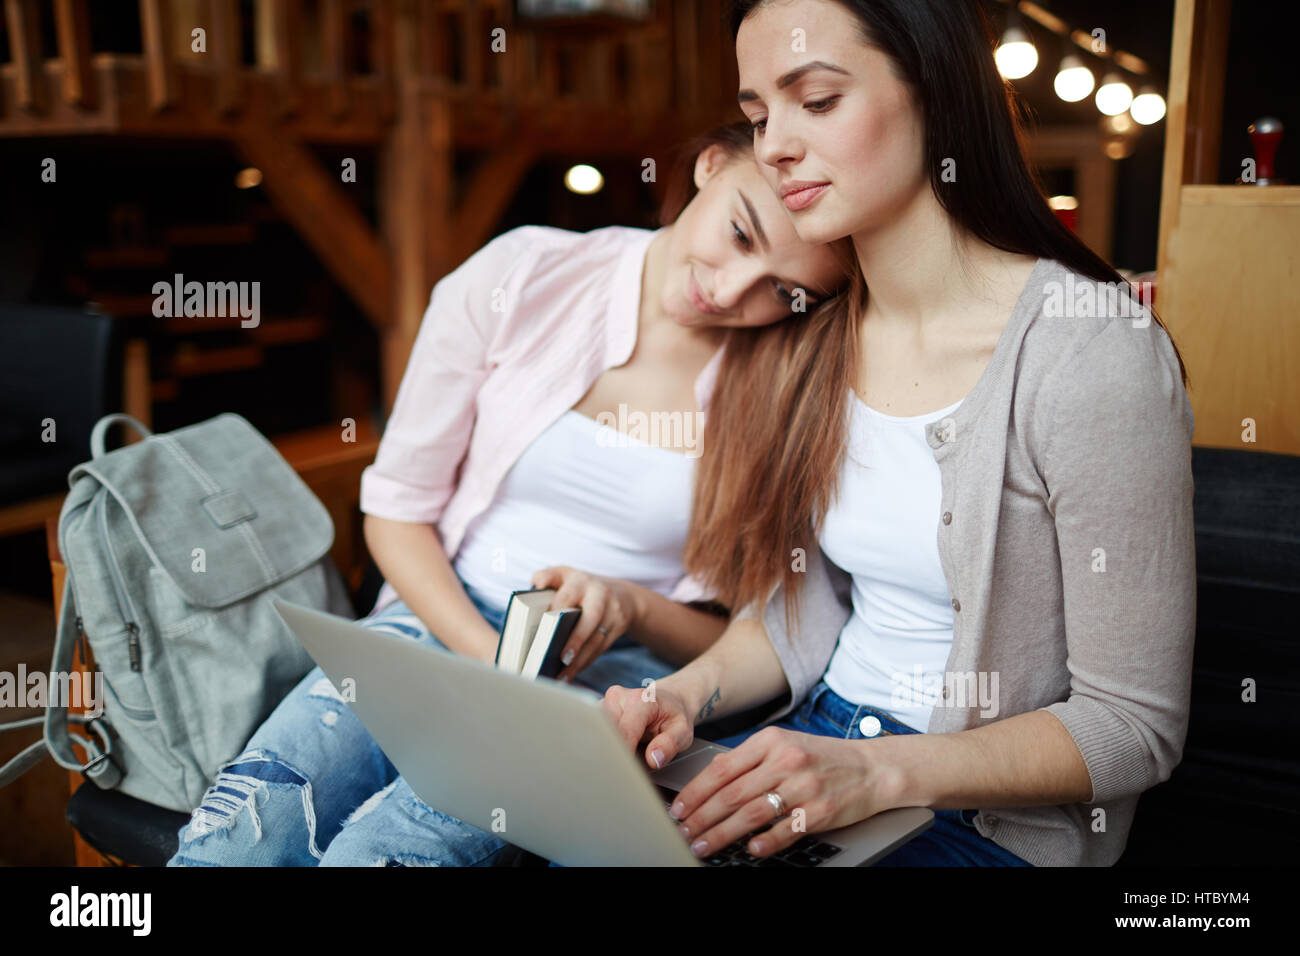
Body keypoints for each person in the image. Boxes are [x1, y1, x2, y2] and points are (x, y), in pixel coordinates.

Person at [602, 0, 1196, 868]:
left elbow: (1134, 728)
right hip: (813, 746)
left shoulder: (1091, 352)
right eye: (761, 114)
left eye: (817, 100)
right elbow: (799, 614)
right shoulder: (817, 331)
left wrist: (875, 773)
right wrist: (682, 696)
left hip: (975, 816)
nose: (773, 147)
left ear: (936, 94)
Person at [166, 122, 853, 866]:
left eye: (784, 292)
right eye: (741, 236)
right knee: (244, 829)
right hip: (437, 620)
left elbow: (756, 638)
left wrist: (627, 605)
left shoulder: (794, 385)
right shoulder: (524, 274)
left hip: (611, 681)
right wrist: (489, 658)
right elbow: (396, 511)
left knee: (384, 853)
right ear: (711, 165)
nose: (728, 293)